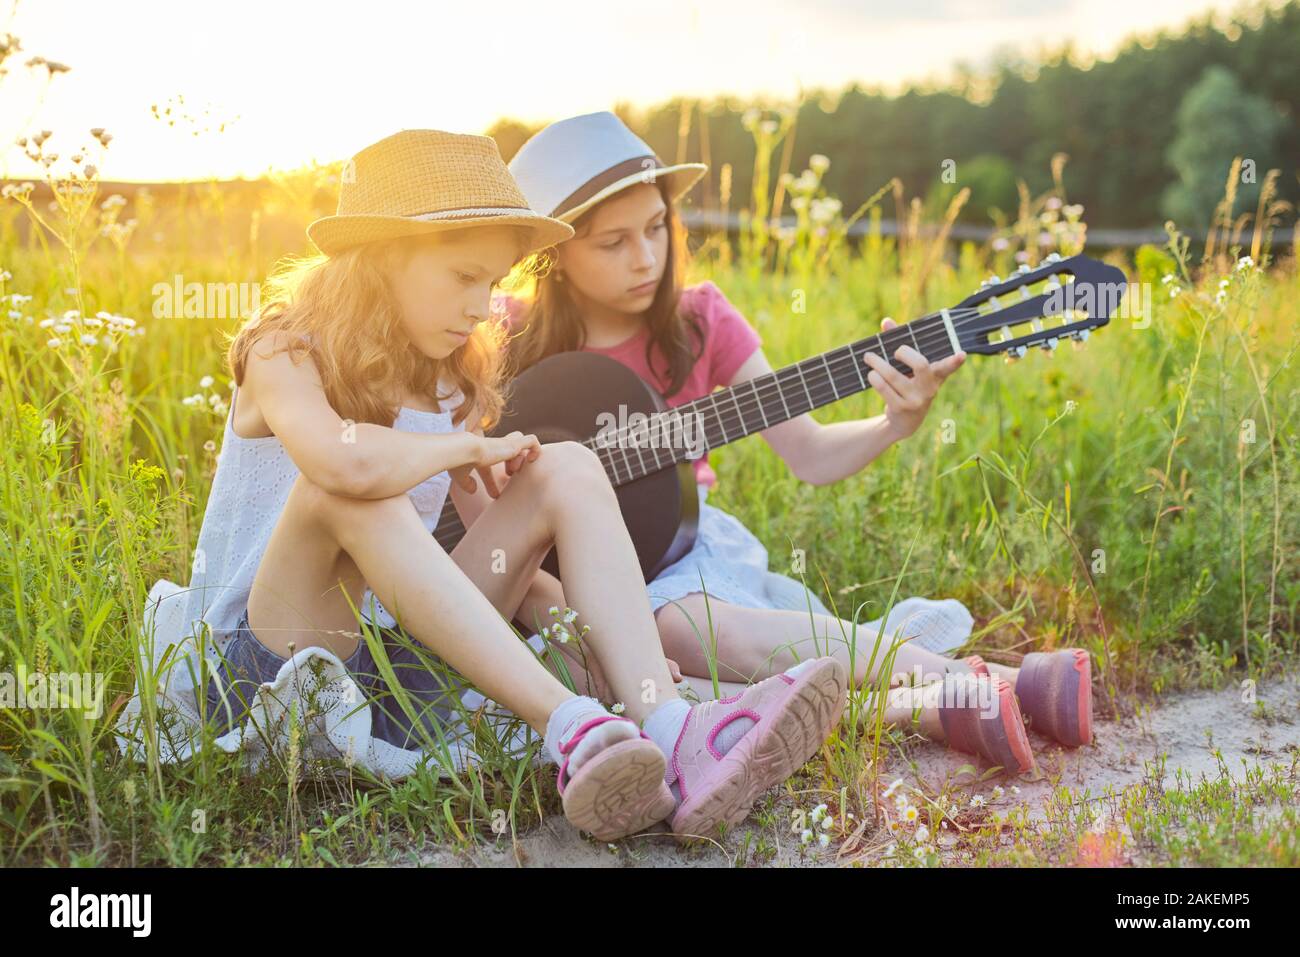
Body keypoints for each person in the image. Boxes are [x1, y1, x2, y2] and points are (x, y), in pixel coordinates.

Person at [185, 128, 848, 843]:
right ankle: (572, 728)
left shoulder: (448, 375)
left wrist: (588, 638)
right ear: (379, 259)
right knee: (344, 495)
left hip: (403, 681)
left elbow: (492, 559)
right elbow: (341, 462)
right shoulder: (283, 348)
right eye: (463, 276)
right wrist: (461, 446)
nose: (481, 306)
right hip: (272, 673)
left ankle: (673, 727)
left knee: (562, 467)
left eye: (494, 282)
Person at [490, 113, 1094, 775]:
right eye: (613, 242)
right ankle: (948, 702)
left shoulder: (700, 319)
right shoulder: (502, 339)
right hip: (554, 576)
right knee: (627, 682)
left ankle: (963, 678)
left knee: (673, 628)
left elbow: (807, 453)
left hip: (680, 553)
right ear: (554, 253)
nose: (645, 257)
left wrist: (895, 422)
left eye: (657, 227)